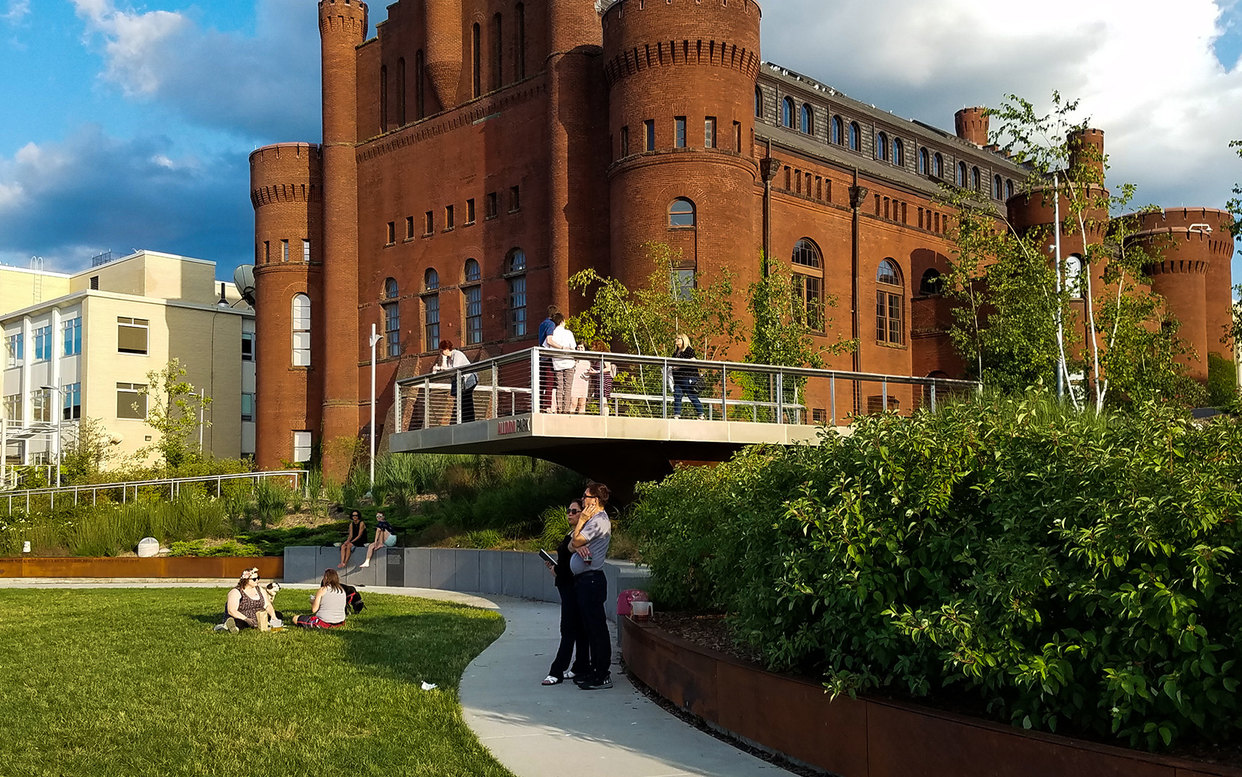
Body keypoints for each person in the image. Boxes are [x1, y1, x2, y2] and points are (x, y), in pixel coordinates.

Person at [541, 500, 590, 685]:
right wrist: (554, 569)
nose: (569, 514)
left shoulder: (580, 537)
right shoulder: (571, 534)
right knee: (578, 629)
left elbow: (575, 554)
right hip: (565, 584)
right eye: (568, 510)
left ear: (582, 514)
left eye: (574, 511)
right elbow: (566, 563)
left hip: (573, 587)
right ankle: (580, 666)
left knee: (569, 628)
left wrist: (573, 549)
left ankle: (557, 670)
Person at [570, 482, 613, 689]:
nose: (582, 499)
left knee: (597, 629)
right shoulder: (592, 521)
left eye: (585, 496)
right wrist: (577, 543)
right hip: (585, 580)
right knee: (588, 628)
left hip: (592, 580)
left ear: (595, 501)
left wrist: (582, 522)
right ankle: (593, 670)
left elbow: (576, 541)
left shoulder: (598, 522)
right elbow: (572, 544)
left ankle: (602, 673)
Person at [216, 567, 279, 632]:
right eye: (254, 579)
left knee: (278, 614)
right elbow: (231, 610)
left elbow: (267, 604)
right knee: (240, 622)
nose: (257, 581)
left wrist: (274, 618)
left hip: (258, 616)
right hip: (242, 617)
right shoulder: (236, 592)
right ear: (246, 580)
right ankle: (230, 626)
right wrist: (246, 619)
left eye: (258, 578)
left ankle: (264, 622)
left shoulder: (260, 589)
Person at [433, 339, 475, 423]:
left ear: (447, 349)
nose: (441, 352)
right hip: (461, 381)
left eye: (442, 350)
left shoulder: (457, 354)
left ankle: (469, 421)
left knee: (466, 400)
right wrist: (444, 360)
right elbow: (448, 371)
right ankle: (465, 420)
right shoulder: (449, 358)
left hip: (468, 380)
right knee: (462, 401)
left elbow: (454, 369)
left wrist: (440, 368)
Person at [544, 313, 578, 414]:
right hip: (569, 362)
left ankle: (559, 408)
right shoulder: (568, 333)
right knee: (568, 387)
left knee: (559, 386)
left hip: (557, 363)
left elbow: (547, 346)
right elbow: (573, 347)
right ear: (562, 321)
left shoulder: (552, 333)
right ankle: (566, 409)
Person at [671, 333, 705, 419]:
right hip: (678, 379)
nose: (676, 340)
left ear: (683, 340)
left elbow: (691, 361)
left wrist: (679, 366)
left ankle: (701, 413)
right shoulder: (675, 353)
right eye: (676, 338)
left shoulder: (689, 350)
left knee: (691, 395)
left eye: (678, 338)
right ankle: (676, 415)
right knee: (677, 395)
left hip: (688, 377)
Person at [537, 306, 558, 412]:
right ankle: (547, 406)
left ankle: (539, 404)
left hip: (540, 356)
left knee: (541, 382)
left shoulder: (542, 324)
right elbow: (549, 340)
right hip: (547, 356)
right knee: (549, 381)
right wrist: (561, 347)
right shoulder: (551, 324)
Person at [587, 341, 616, 415]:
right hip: (599, 380)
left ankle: (605, 416)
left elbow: (608, 368)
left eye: (593, 346)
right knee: (601, 399)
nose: (592, 348)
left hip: (604, 380)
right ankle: (603, 415)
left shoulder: (604, 355)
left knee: (603, 399)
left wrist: (596, 372)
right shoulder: (598, 357)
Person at [570, 344, 591, 414]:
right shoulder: (573, 360)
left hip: (584, 383)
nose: (580, 349)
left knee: (582, 404)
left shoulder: (588, 361)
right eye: (578, 347)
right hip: (575, 383)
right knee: (573, 403)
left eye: (581, 347)